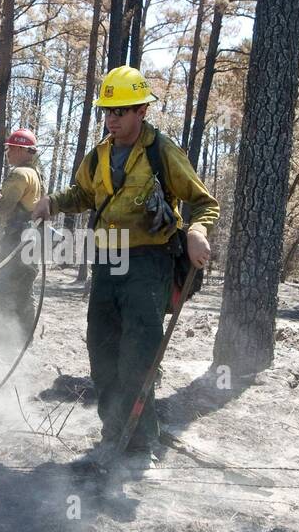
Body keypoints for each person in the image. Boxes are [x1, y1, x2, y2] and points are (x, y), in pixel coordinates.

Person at [32, 66, 218, 458]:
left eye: (121, 111)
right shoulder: (98, 155)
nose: (111, 119)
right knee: (102, 353)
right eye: (108, 111)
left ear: (142, 112)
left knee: (139, 356)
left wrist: (197, 233)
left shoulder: (162, 151)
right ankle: (113, 432)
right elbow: (81, 194)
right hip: (108, 259)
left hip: (149, 262)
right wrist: (53, 202)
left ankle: (141, 441)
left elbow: (203, 202)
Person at [0, 128, 45, 346]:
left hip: (17, 240)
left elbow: (2, 207)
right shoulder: (36, 175)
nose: (8, 153)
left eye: (11, 148)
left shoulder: (20, 174)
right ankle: (22, 340)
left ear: (21, 149)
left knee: (0, 287)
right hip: (30, 239)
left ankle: (3, 340)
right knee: (22, 289)